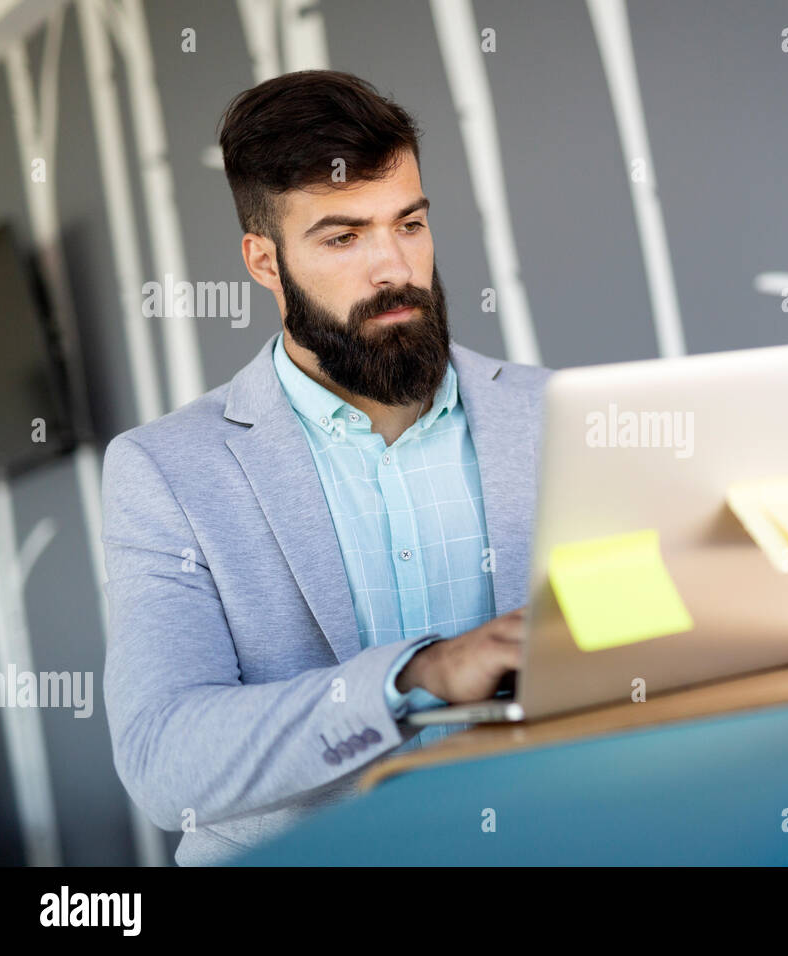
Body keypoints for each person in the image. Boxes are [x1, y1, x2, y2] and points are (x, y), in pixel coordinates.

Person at [101, 70, 547, 865]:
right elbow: (164, 759)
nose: (394, 269)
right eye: (343, 238)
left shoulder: (559, 416)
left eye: (408, 223)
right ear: (264, 262)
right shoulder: (163, 472)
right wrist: (419, 675)